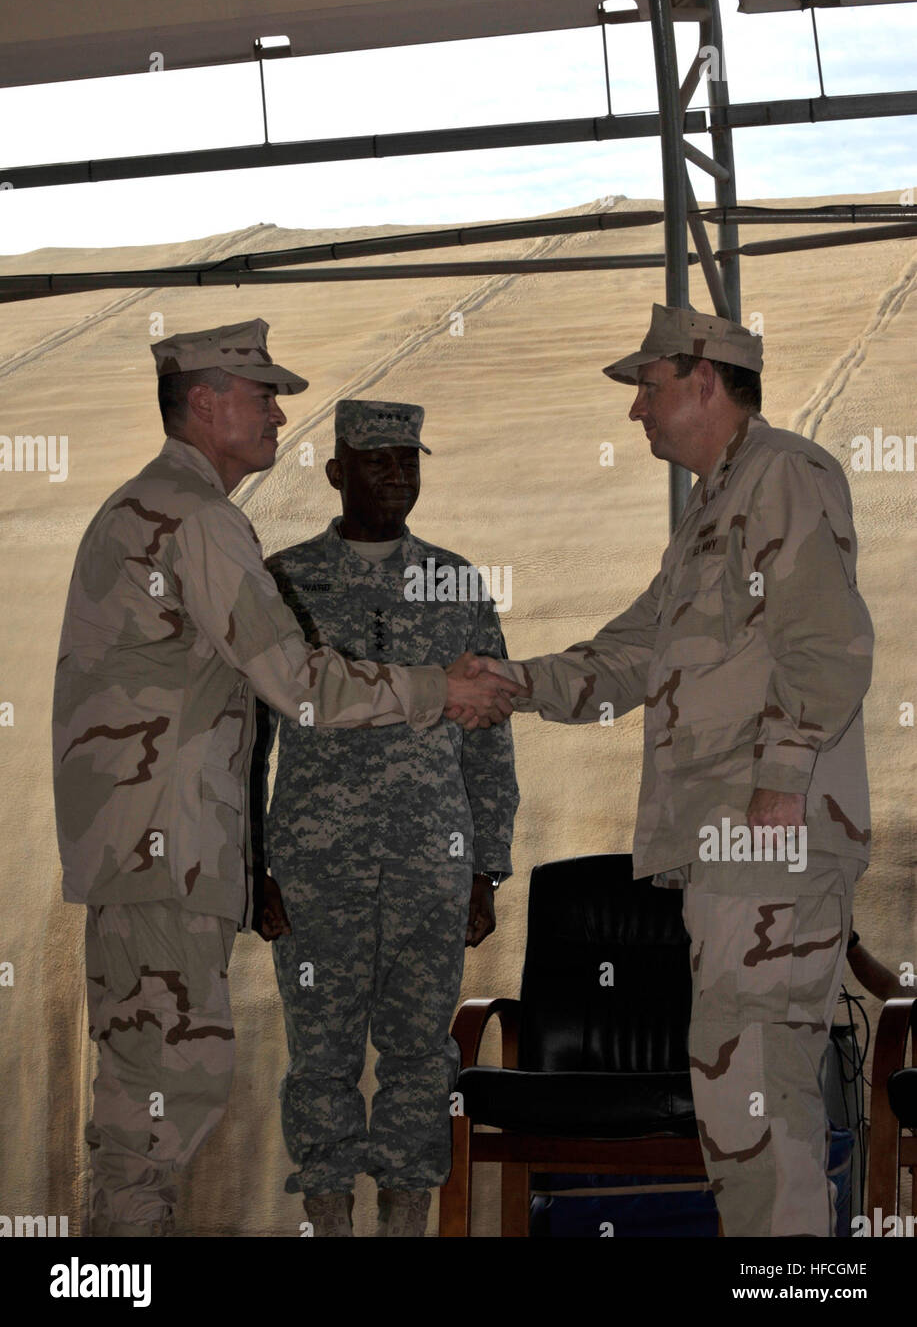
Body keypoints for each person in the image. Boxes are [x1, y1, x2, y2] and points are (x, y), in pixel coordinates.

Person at [51, 319, 519, 1238]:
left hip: (167, 853)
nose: (276, 412)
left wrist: (482, 858)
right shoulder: (199, 521)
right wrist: (440, 687)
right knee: (164, 1099)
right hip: (175, 855)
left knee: (153, 1103)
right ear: (204, 402)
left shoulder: (162, 512)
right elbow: (294, 686)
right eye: (262, 394)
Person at [474, 303, 874, 1237]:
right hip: (733, 847)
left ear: (702, 378)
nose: (635, 413)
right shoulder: (715, 508)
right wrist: (512, 683)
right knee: (743, 1104)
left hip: (770, 837)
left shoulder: (784, 474)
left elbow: (826, 642)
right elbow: (631, 655)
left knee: (758, 1105)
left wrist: (779, 781)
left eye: (646, 389)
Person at [251, 397, 519, 1237]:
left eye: (408, 460)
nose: (396, 475)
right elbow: (247, 738)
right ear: (335, 472)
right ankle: (330, 1224)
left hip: (428, 862)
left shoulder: (457, 581)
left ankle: (405, 1225)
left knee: (419, 1056)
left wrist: (485, 866)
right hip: (312, 867)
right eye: (376, 461)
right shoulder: (285, 581)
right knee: (319, 1059)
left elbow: (489, 735)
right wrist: (250, 865)